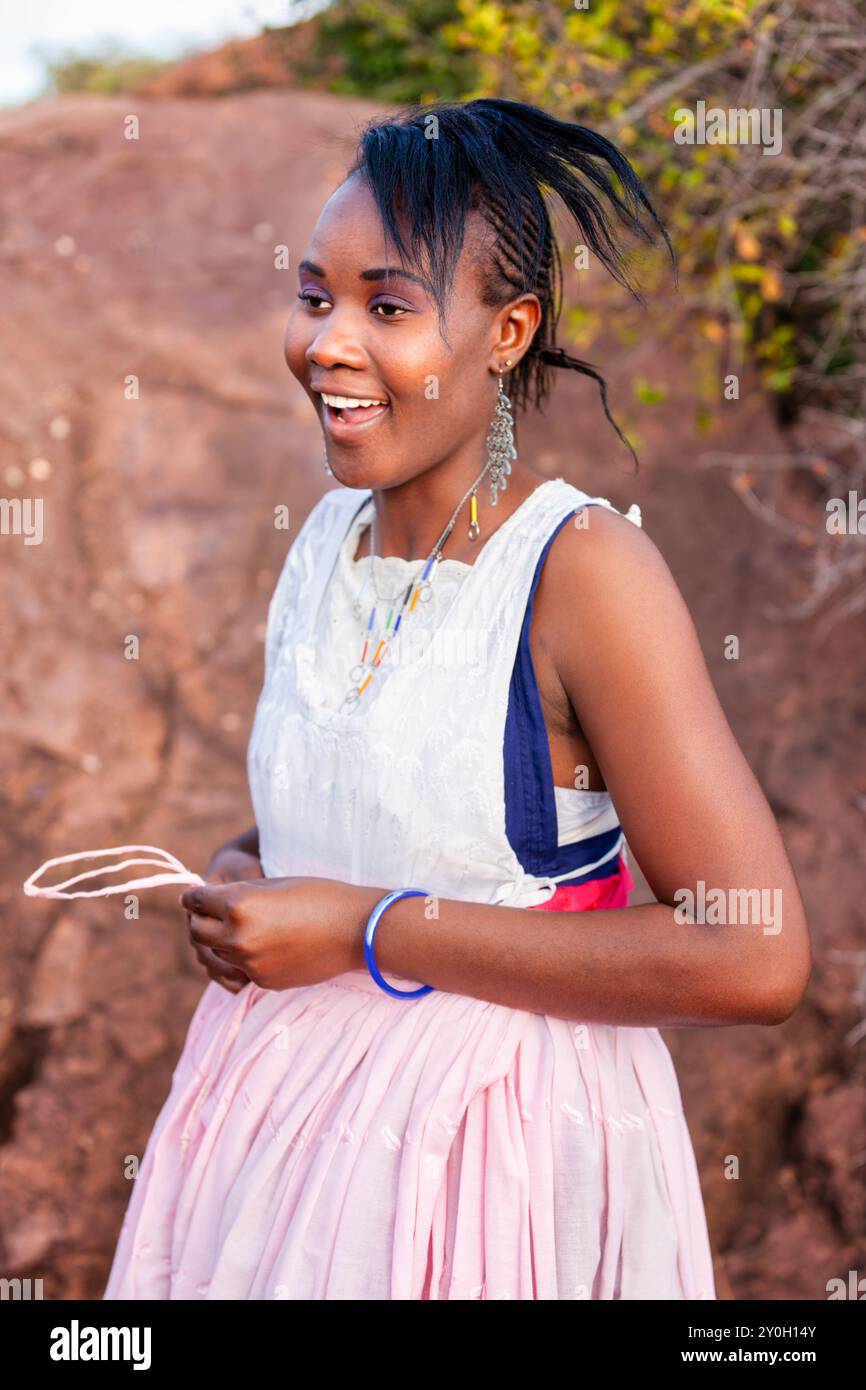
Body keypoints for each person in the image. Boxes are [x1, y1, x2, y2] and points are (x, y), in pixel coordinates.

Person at [102, 98, 811, 1300]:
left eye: (388, 306)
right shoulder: (322, 541)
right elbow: (406, 810)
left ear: (507, 330)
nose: (328, 343)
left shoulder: (580, 572)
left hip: (485, 1162)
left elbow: (751, 952)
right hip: (275, 1135)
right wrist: (248, 869)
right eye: (314, 297)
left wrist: (362, 929)